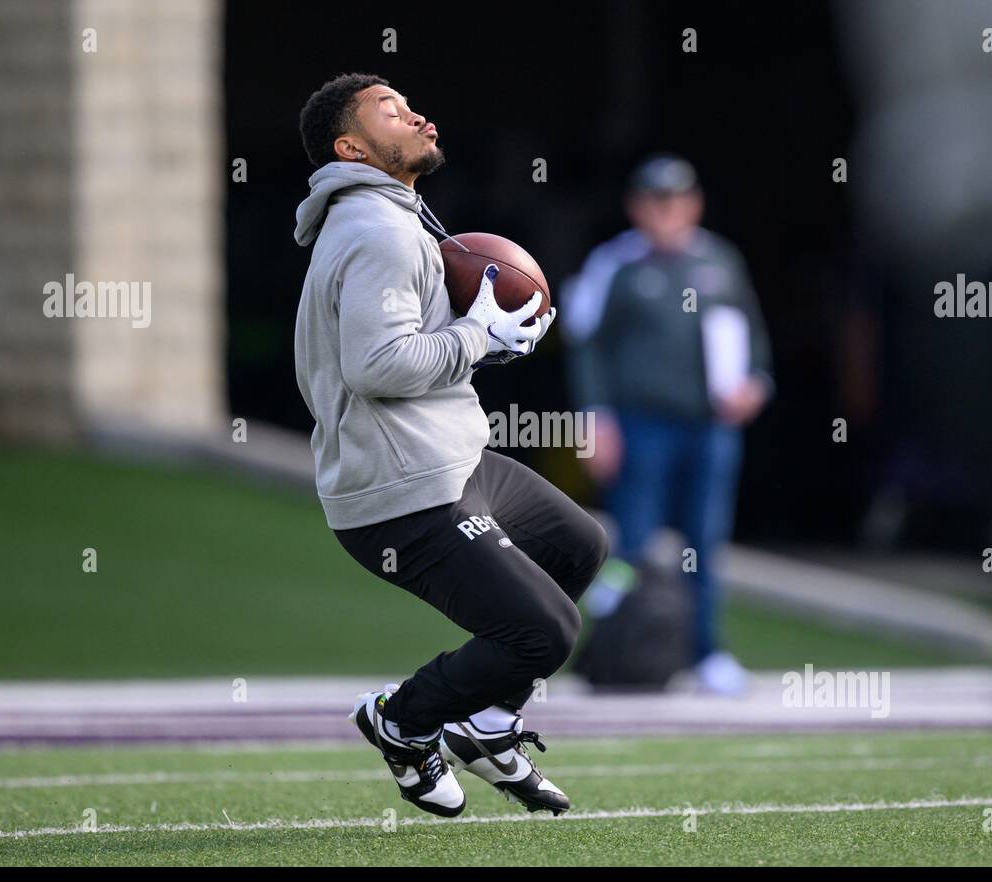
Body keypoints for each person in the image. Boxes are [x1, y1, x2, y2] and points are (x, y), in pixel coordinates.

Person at [293, 73, 608, 817]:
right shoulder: (379, 227)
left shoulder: (394, 212)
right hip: (403, 494)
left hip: (452, 462)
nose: (417, 114)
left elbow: (403, 347)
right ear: (353, 147)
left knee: (578, 548)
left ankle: (489, 724)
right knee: (544, 633)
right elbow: (377, 367)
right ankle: (401, 721)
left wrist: (483, 344)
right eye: (391, 111)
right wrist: (477, 333)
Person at [564, 155, 773, 695]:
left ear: (694, 204)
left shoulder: (719, 259)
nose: (667, 211)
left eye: (676, 200)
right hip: (640, 424)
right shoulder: (615, 264)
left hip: (709, 426)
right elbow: (587, 347)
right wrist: (595, 421)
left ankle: (705, 653)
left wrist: (756, 382)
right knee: (634, 543)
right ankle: (622, 652)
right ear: (636, 207)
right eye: (655, 201)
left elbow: (750, 330)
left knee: (704, 540)